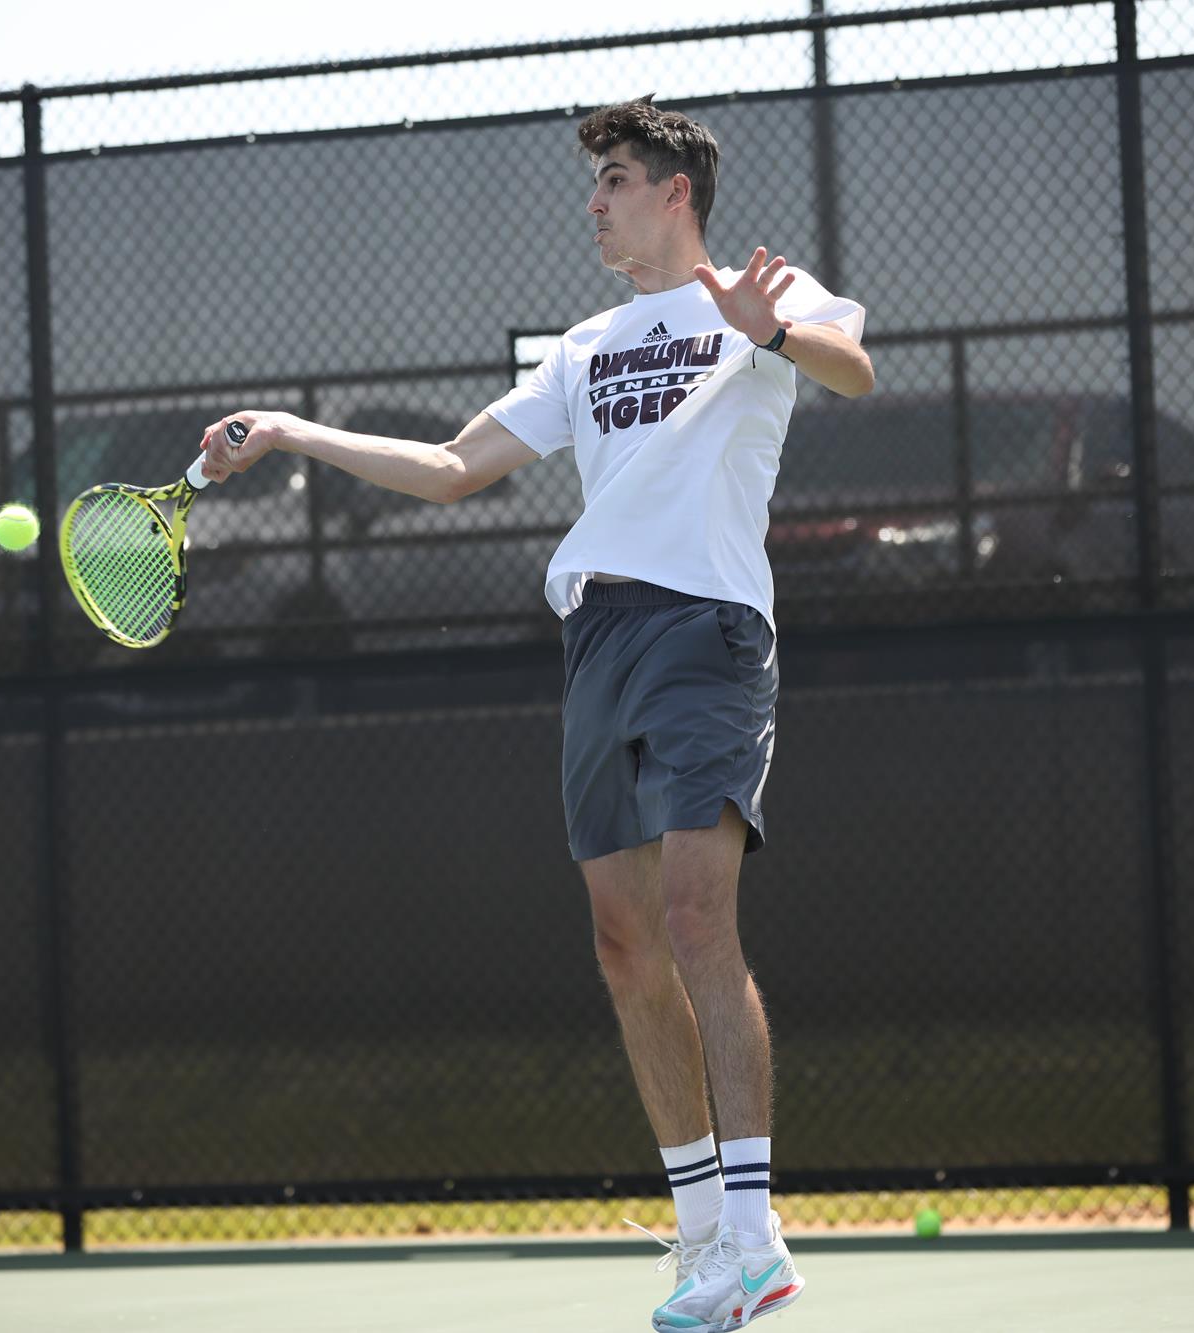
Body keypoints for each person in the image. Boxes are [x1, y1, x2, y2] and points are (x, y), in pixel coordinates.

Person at [198, 95, 872, 1333]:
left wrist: (768, 330)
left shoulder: (766, 299)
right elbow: (453, 470)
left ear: (674, 191)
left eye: (613, 179)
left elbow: (854, 371)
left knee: (692, 917)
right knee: (624, 944)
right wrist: (292, 429)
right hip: (597, 639)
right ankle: (697, 1239)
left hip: (706, 628)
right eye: (593, 183)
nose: (594, 202)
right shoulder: (582, 343)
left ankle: (757, 1231)